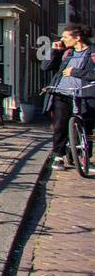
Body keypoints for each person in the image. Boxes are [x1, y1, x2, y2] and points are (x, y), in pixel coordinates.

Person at [43, 23, 95, 169]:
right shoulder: (66, 53)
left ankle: (84, 157)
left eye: (65, 37)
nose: (63, 39)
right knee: (60, 125)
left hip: (86, 95)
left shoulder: (92, 53)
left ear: (77, 38)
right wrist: (54, 51)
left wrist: (75, 72)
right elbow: (45, 67)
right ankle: (58, 156)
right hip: (62, 93)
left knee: (86, 126)